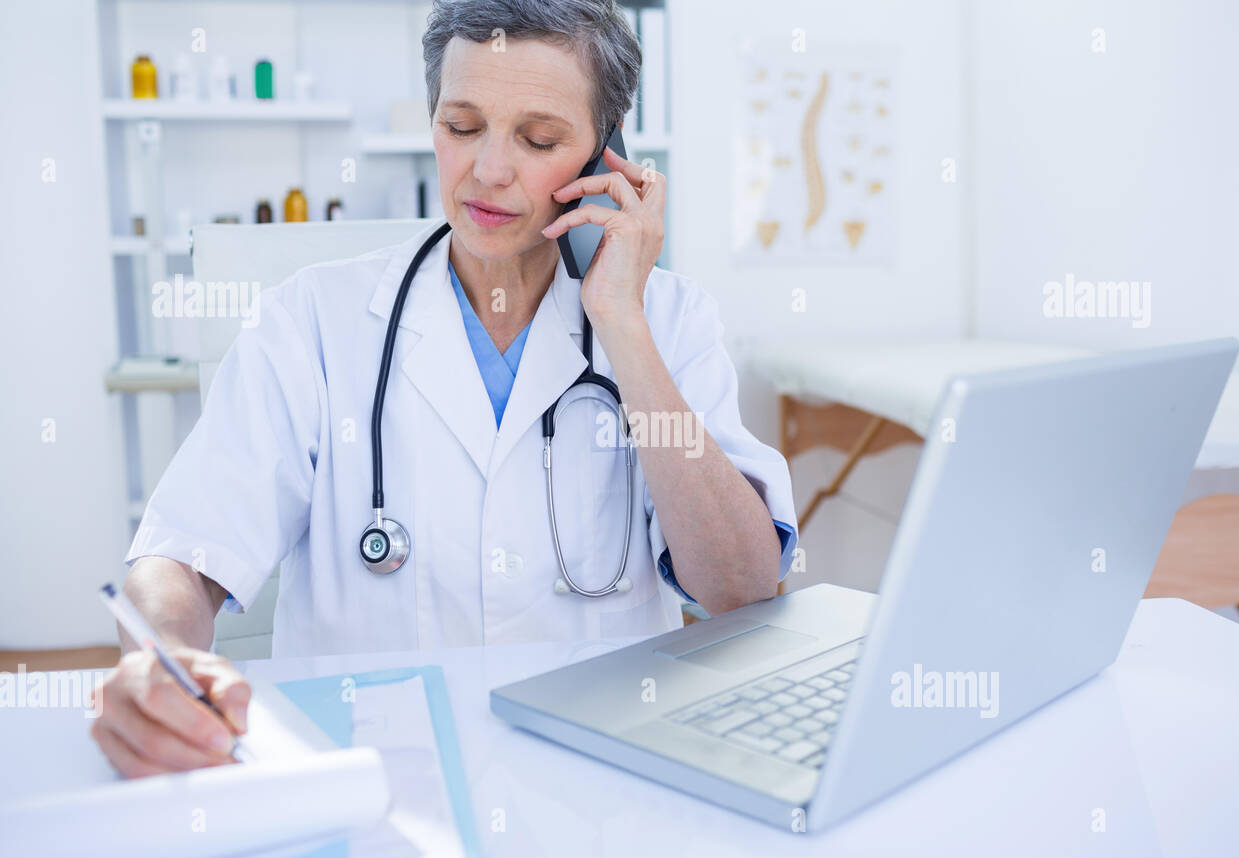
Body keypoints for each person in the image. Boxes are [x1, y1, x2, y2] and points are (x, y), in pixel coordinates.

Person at [92, 0, 799, 778]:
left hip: (604, 773)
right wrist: (156, 665)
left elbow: (740, 585)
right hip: (373, 774)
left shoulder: (668, 319)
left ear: (606, 157)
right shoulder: (313, 320)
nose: (489, 171)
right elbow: (182, 556)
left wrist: (623, 328)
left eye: (538, 139)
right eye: (461, 126)